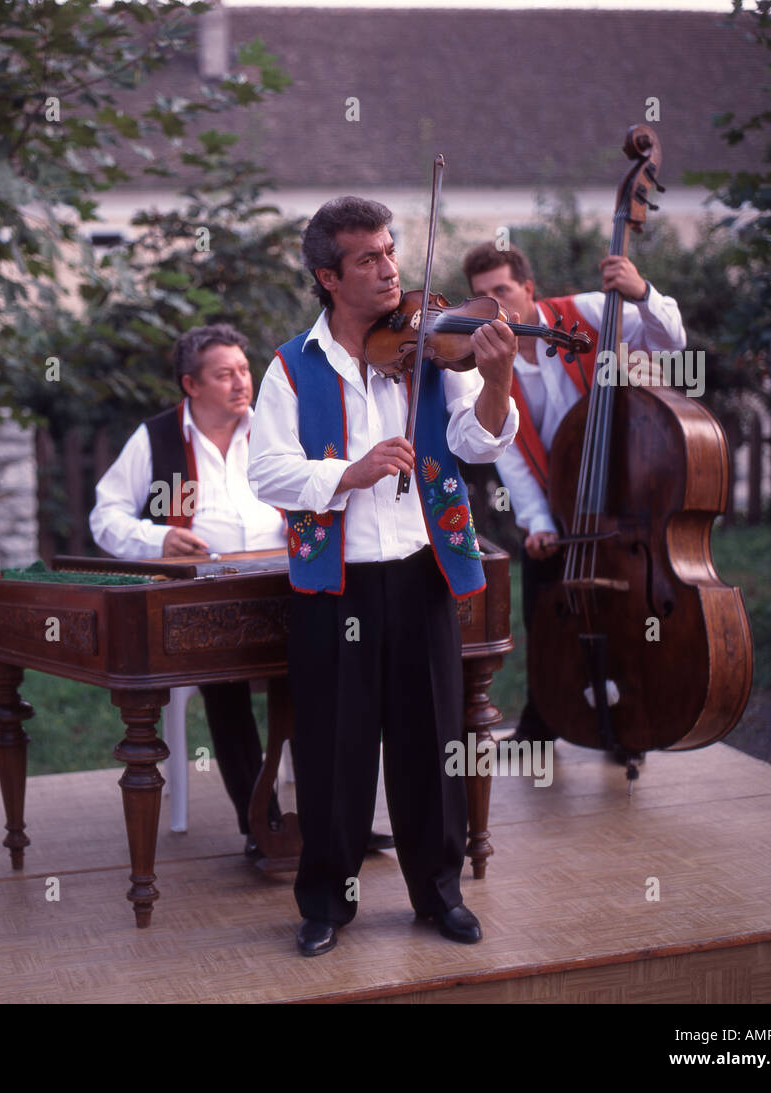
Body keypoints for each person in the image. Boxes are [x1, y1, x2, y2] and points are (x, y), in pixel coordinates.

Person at [248, 196, 519, 957]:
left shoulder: (435, 347)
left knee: (431, 741)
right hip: (336, 584)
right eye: (367, 259)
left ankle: (439, 894)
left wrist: (496, 380)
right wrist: (351, 472)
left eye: (390, 251)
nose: (389, 268)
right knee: (335, 748)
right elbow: (267, 471)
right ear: (328, 276)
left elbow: (478, 439)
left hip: (421, 569)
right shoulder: (290, 367)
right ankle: (325, 904)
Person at [461, 241, 686, 743]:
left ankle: (634, 716)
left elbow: (670, 343)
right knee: (544, 613)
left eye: (503, 289)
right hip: (558, 506)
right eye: (483, 296)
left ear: (528, 288)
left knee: (629, 613)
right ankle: (545, 724)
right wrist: (539, 523)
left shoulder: (585, 311)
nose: (496, 303)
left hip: (622, 497)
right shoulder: (488, 365)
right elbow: (511, 456)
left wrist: (644, 293)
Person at [90, 324, 289, 854]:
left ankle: (330, 823)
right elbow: (104, 517)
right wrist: (157, 537)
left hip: (287, 584)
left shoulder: (276, 428)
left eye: (244, 370)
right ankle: (261, 826)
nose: (241, 383)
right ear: (191, 384)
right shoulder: (157, 437)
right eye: (224, 375)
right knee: (224, 686)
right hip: (204, 597)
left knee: (324, 675)